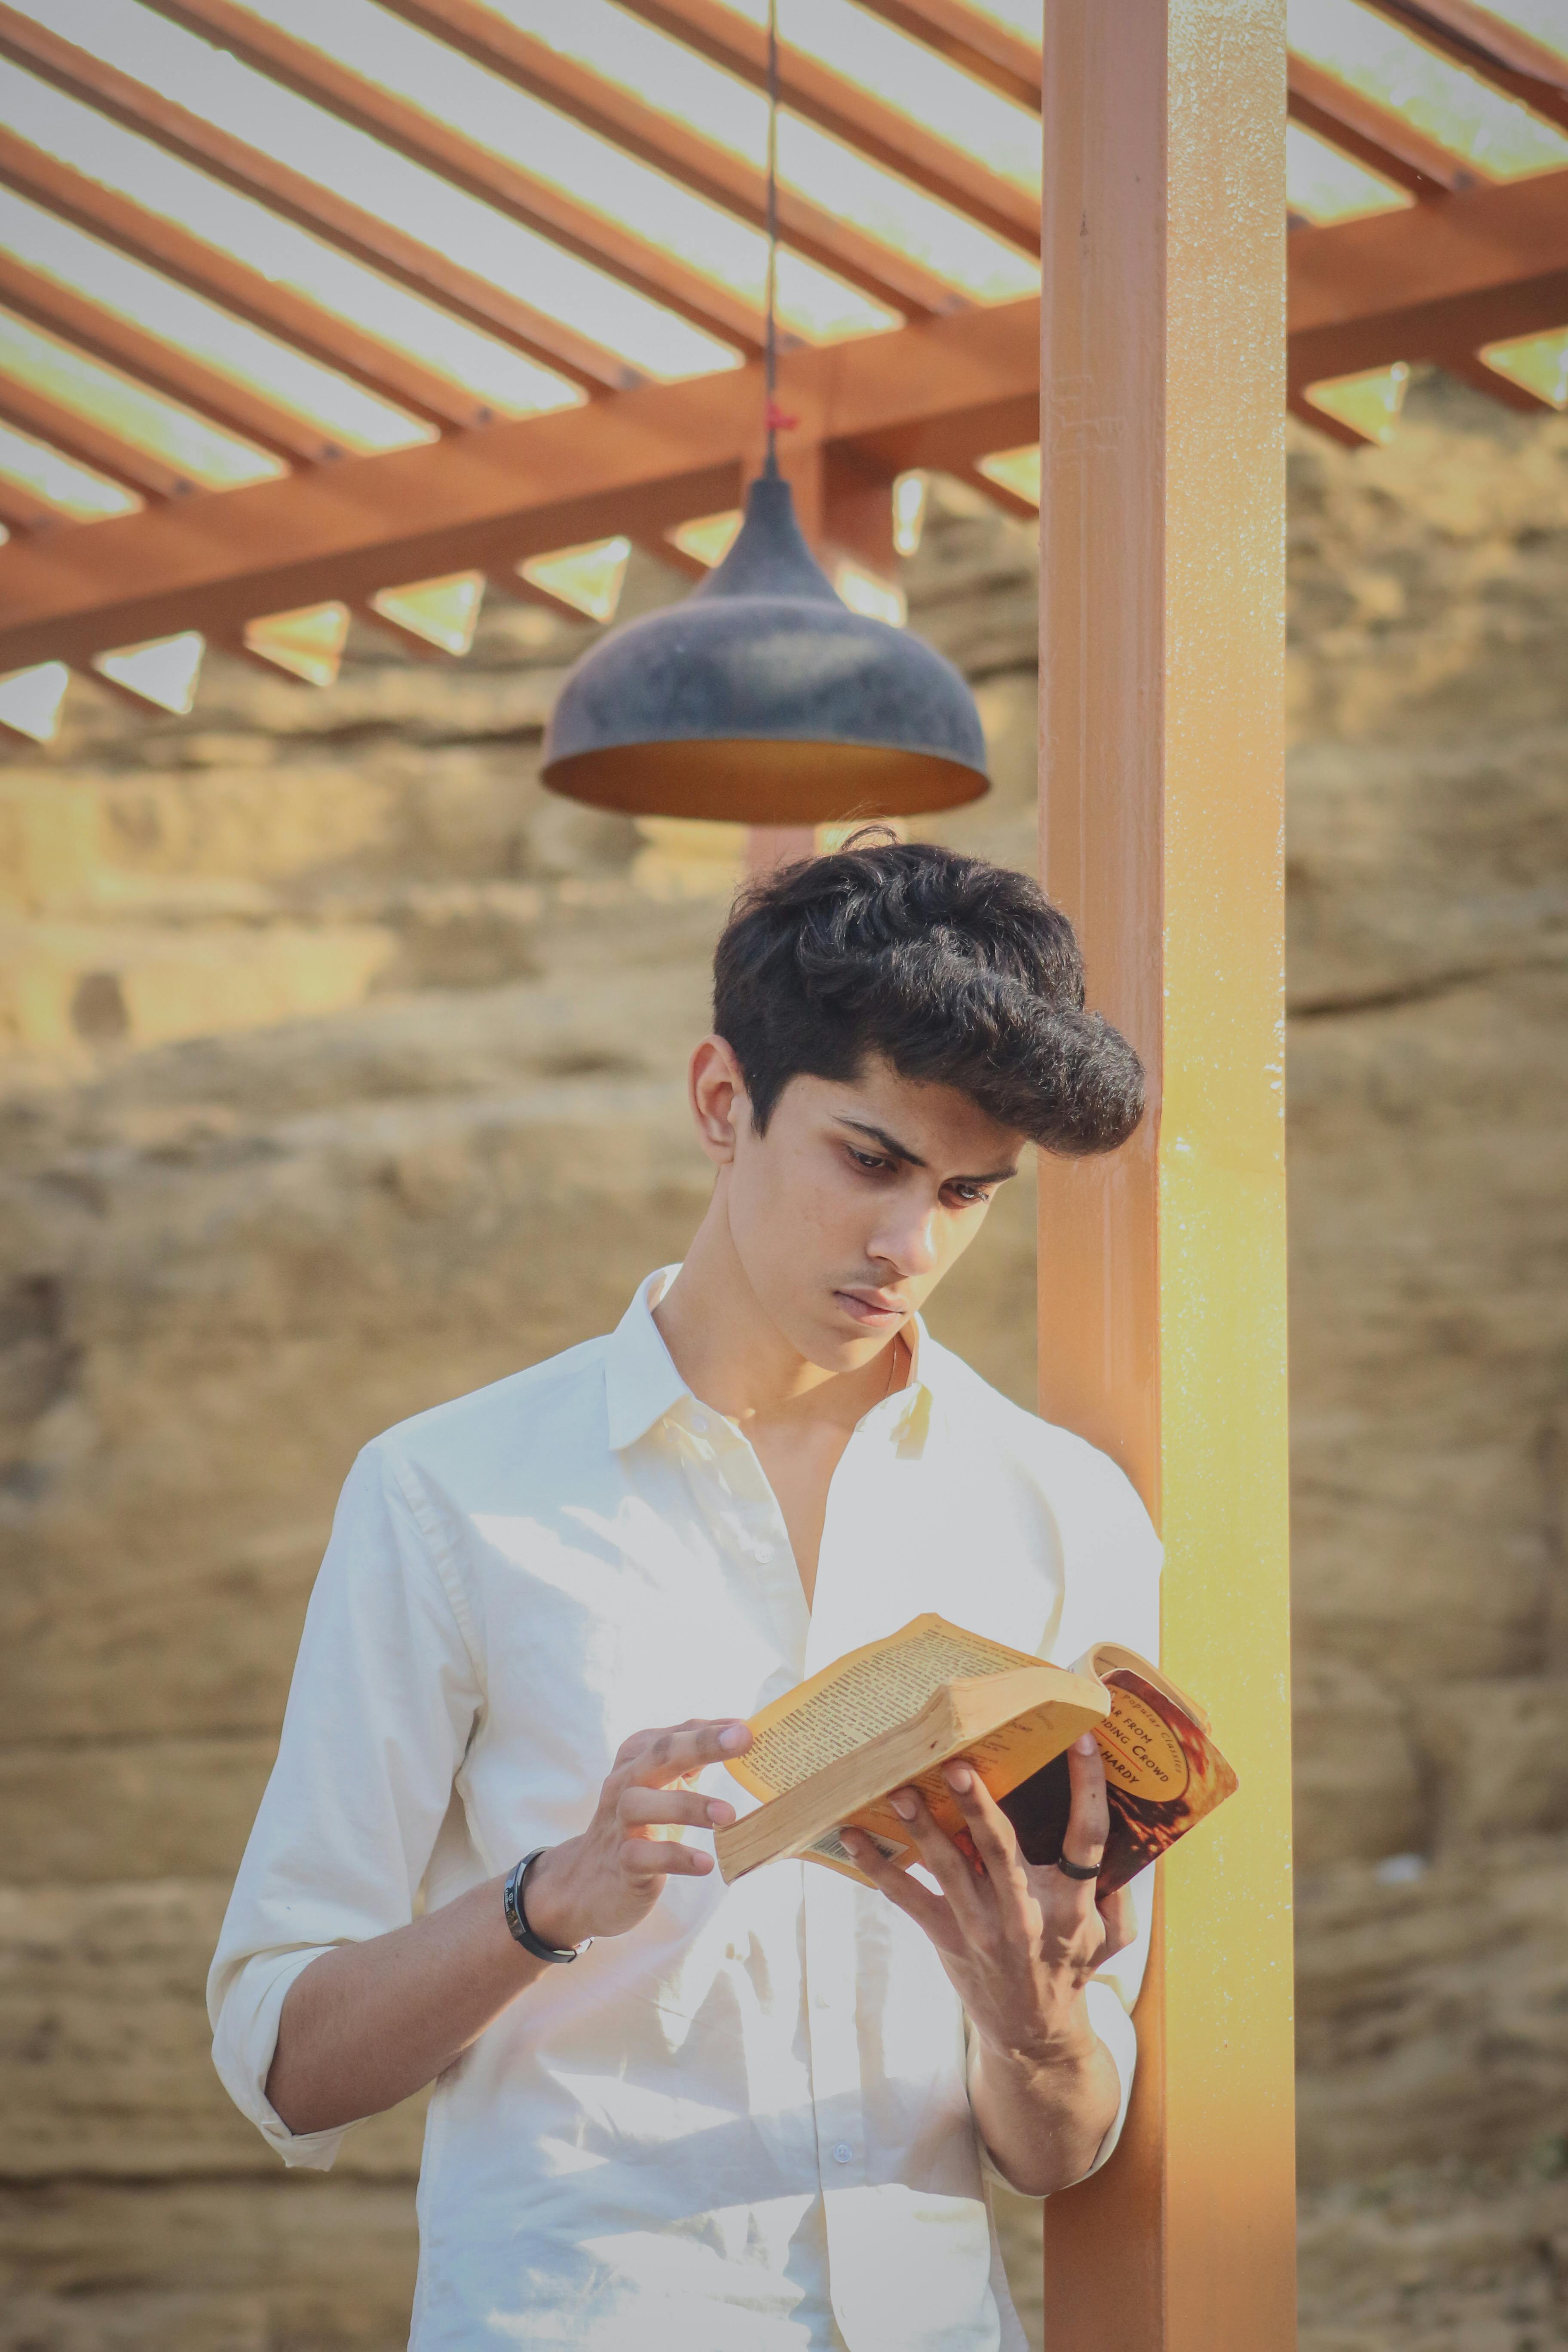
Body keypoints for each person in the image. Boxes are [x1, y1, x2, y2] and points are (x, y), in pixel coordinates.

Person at [208, 836, 1161, 2352]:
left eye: (969, 1193)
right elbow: (283, 2062)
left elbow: (1057, 2152)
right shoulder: (449, 1494)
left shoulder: (1064, 1515)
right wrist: (545, 1902)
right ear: (724, 1102)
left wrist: (1031, 2021)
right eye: (870, 1161)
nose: (912, 1246)